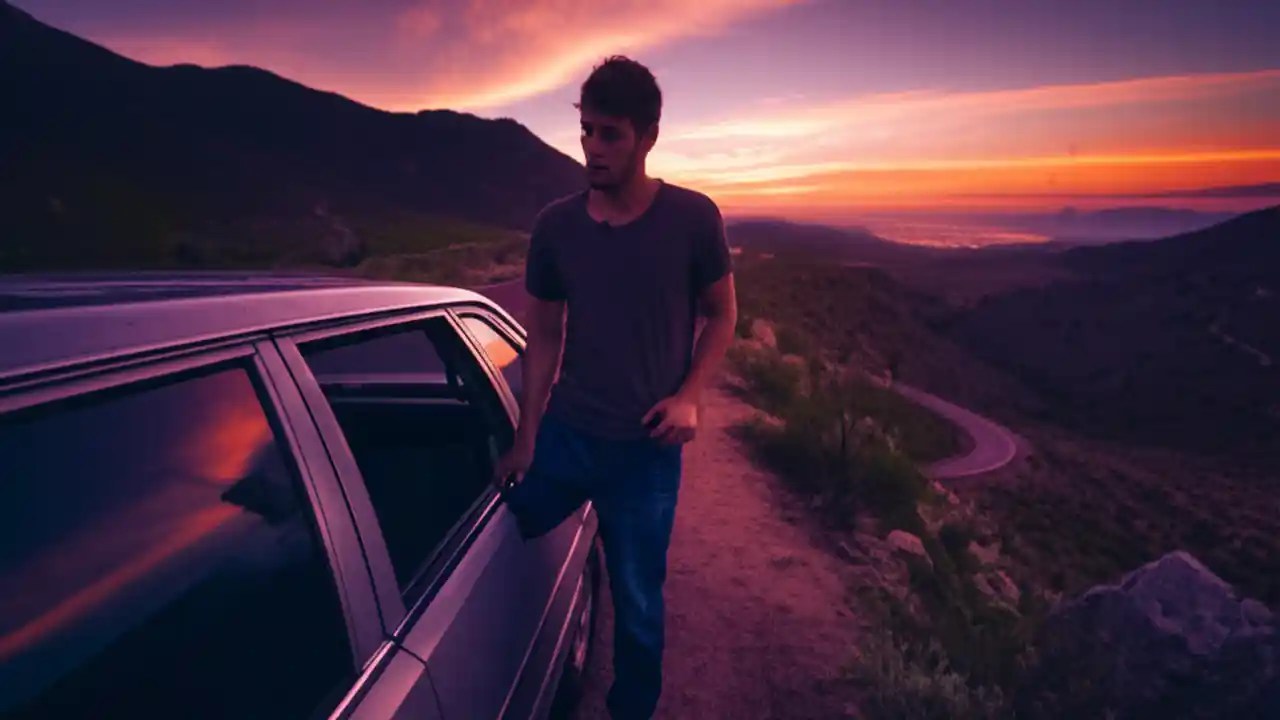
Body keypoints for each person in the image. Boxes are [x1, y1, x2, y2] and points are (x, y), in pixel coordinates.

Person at [492, 55, 738, 720]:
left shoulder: (692, 219)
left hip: (645, 453)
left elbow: (723, 313)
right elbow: (542, 336)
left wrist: (691, 395)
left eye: (610, 135)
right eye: (586, 132)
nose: (592, 149)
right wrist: (526, 437)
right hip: (567, 435)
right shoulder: (557, 227)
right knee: (491, 540)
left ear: (648, 136)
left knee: (637, 607)